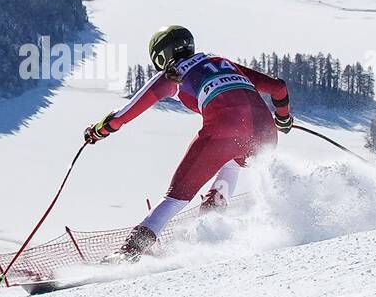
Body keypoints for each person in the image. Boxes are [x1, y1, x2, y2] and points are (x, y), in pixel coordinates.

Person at [84, 25, 293, 259]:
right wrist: (283, 118)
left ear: (162, 56)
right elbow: (278, 87)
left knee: (176, 196)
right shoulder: (222, 61)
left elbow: (127, 111)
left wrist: (100, 129)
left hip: (224, 131)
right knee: (233, 161)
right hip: (266, 133)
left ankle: (130, 252)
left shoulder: (173, 74)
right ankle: (212, 222)